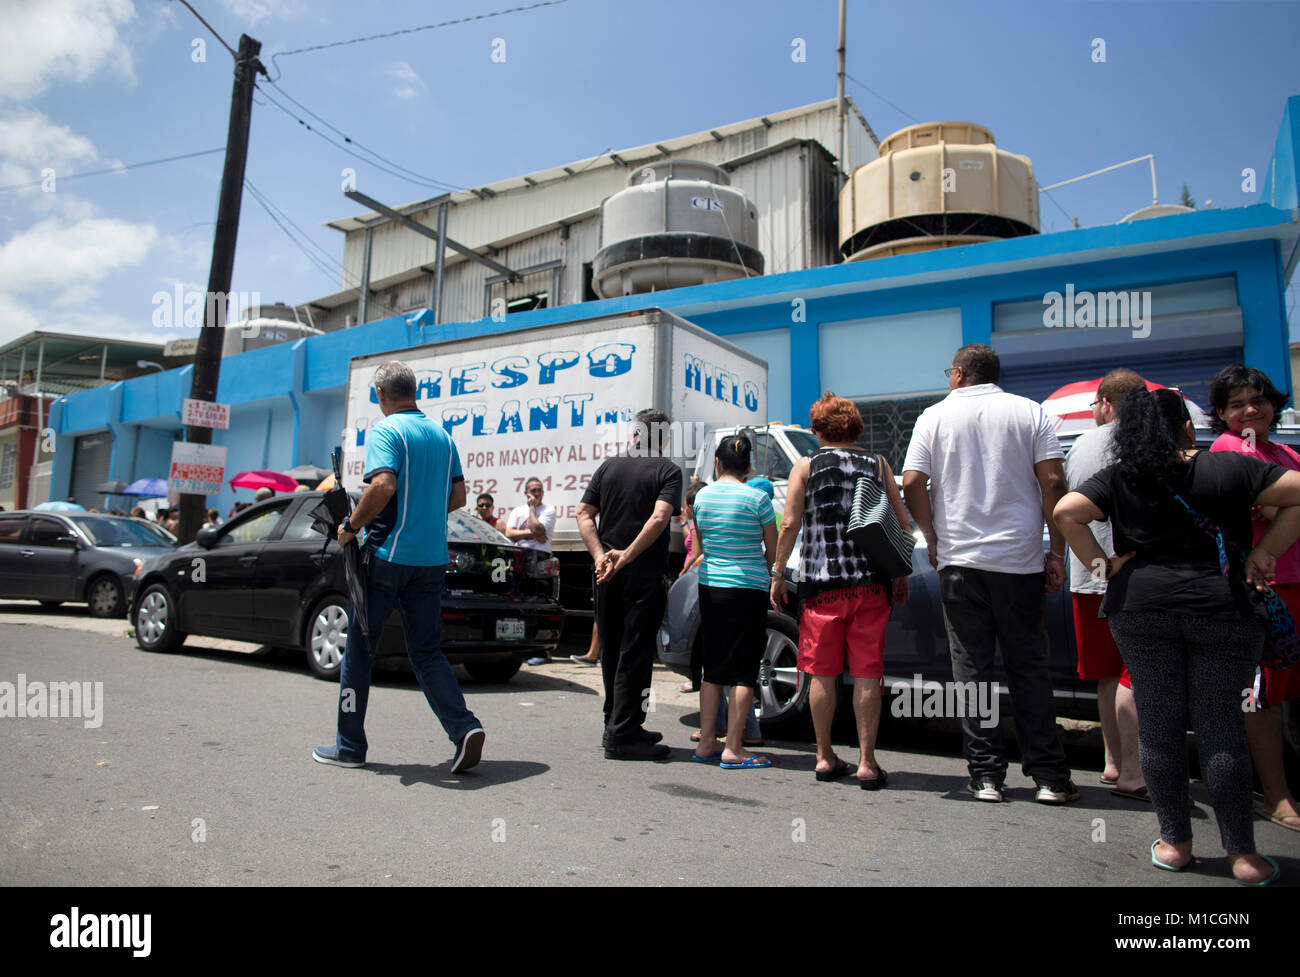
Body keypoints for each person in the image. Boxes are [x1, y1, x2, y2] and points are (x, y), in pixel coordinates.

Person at [1055, 388, 1298, 884]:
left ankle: (1175, 844)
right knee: (1220, 725)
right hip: (1223, 605)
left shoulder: (1123, 475)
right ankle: (1244, 857)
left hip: (1142, 607)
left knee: (1160, 726)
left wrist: (1104, 567)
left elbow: (1065, 513)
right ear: (1188, 427)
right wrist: (1265, 552)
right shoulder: (1231, 467)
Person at [902, 344, 1077, 804]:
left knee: (972, 672)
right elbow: (1055, 483)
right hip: (1020, 562)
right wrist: (1056, 552)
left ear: (959, 373)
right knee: (1029, 668)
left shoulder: (932, 417)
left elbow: (911, 481)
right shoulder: (1031, 413)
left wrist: (933, 536)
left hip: (960, 563)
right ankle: (1049, 778)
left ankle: (985, 777)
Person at [314, 361, 485, 774]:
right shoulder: (444, 437)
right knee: (426, 652)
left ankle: (350, 747)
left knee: (358, 652)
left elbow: (383, 485)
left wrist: (350, 526)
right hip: (430, 562)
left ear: (380, 395)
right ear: (414, 391)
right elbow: (459, 496)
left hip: (387, 557)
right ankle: (464, 728)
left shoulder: (387, 430)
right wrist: (424, 511)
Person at [770, 393, 910, 788]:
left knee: (821, 674)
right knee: (868, 673)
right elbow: (900, 521)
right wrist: (899, 575)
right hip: (870, 585)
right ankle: (867, 762)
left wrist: (778, 573)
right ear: (854, 427)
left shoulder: (805, 466)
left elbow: (790, 524)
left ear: (817, 430)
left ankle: (824, 756)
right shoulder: (878, 464)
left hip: (821, 587)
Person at [1208, 364, 1300, 833]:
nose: (1250, 409)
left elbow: (1277, 504)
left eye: (1258, 400)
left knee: (1285, 694)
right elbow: (1266, 506)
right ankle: (1276, 795)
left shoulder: (1283, 451)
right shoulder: (1228, 450)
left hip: (1294, 583)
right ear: (1221, 413)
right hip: (1261, 589)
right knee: (1260, 698)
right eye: (1237, 403)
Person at [577, 408, 682, 760]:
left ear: (635, 433)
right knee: (636, 653)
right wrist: (628, 555)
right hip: (643, 574)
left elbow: (583, 513)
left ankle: (621, 723)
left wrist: (600, 556)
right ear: (663, 438)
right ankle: (623, 735)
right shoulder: (668, 470)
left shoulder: (608, 466)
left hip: (605, 572)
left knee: (611, 650)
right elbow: (660, 516)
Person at [1065, 369, 1148, 799]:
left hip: (1090, 573)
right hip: (1136, 572)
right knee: (1137, 674)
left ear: (1106, 404)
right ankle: (1139, 765)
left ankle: (1112, 762)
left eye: (1095, 406)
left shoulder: (1082, 444)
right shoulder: (1150, 440)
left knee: (1105, 675)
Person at [691, 436, 778, 769]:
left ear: (717, 463)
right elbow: (772, 553)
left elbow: (701, 545)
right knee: (743, 671)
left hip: (711, 586)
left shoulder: (701, 498)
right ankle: (735, 748)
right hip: (749, 589)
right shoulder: (758, 499)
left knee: (711, 669)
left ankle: (707, 741)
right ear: (749, 467)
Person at [502, 477, 558, 666]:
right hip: (519, 558)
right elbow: (509, 534)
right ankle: (520, 648)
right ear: (526, 492)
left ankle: (542, 651)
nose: (537, 493)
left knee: (538, 603)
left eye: (539, 490)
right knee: (517, 603)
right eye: (533, 490)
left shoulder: (548, 510)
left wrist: (533, 510)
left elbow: (539, 530)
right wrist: (532, 532)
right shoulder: (518, 511)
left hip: (539, 558)